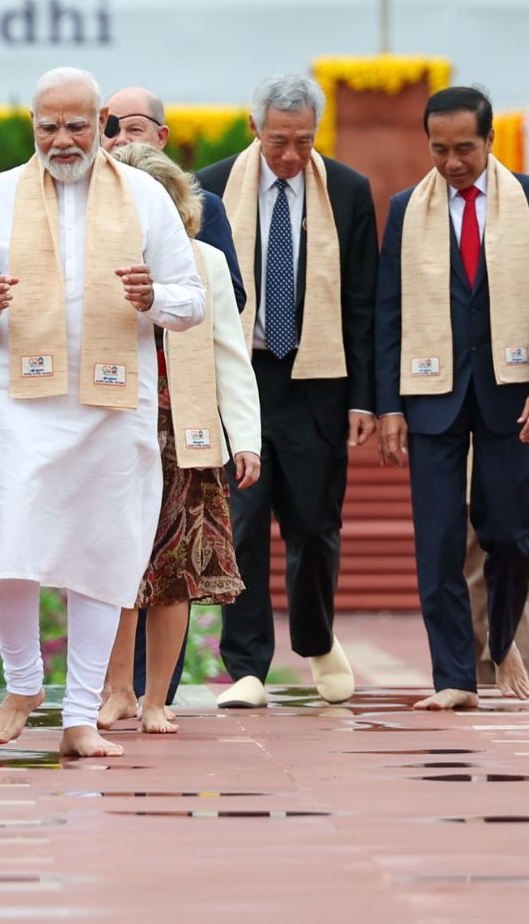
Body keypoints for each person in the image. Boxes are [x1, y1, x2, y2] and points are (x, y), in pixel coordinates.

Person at [0, 67, 206, 758]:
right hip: (19, 404)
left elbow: (192, 301)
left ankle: (81, 715)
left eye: (76, 125)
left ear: (103, 127)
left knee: (101, 553)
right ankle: (23, 682)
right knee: (1, 545)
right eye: (48, 126)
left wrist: (153, 299)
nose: (61, 140)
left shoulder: (145, 197)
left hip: (113, 408)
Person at [197, 74, 378, 708]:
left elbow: (362, 302)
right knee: (242, 526)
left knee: (314, 525)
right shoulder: (214, 186)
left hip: (317, 382)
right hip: (241, 378)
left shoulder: (348, 192)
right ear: (256, 130)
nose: (292, 157)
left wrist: (364, 397)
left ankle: (318, 639)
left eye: (304, 142)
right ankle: (247, 666)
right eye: (279, 142)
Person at [377, 85, 529, 709]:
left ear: (490, 141)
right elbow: (388, 314)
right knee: (437, 539)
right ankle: (453, 678)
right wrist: (387, 405)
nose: (453, 162)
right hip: (431, 392)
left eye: (465, 148)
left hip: (509, 395)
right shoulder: (408, 207)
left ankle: (504, 639)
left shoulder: (527, 200)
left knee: (511, 534)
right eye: (439, 149)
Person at [100, 144, 260, 732]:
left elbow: (230, 356)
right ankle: (115, 690)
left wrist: (245, 439)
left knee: (175, 572)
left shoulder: (206, 262)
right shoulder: (96, 259)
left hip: (183, 434)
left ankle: (156, 700)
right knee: (112, 565)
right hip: (113, 427)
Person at [102, 86, 246, 311]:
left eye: (135, 129)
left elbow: (232, 298)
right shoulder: (86, 201)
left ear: (161, 137)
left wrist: (162, 302)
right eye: (110, 129)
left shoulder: (201, 205)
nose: (121, 139)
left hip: (176, 341)